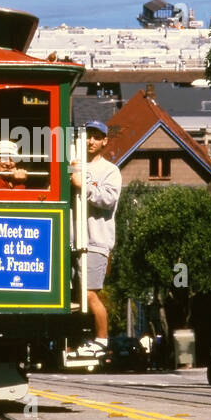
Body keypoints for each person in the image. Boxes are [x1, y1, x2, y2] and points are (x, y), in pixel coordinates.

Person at [70, 120, 122, 357]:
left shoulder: (110, 170)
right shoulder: (73, 165)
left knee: (90, 293)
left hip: (95, 242)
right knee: (72, 295)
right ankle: (75, 340)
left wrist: (85, 187)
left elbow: (108, 200)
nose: (91, 140)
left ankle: (102, 340)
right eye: (87, 135)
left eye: (96, 137)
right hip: (71, 240)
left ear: (104, 142)